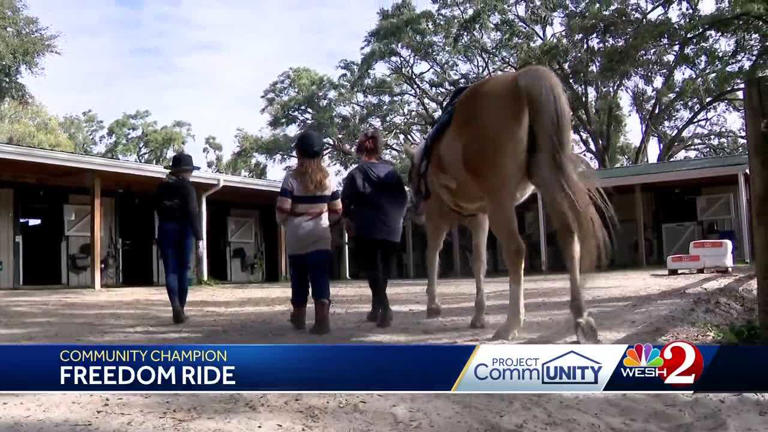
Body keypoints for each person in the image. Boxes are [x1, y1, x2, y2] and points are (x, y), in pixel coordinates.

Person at [276, 130, 342, 335]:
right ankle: (322, 318)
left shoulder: (290, 178)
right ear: (322, 154)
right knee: (320, 276)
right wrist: (324, 220)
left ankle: (299, 316)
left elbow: (282, 210)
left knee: (299, 277)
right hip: (320, 236)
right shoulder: (330, 178)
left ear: (298, 153)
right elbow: (337, 210)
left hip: (296, 236)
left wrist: (288, 222)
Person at [342, 130, 408, 328]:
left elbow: (345, 202)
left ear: (360, 150)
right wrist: (398, 219)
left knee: (373, 270)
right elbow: (404, 198)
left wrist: (347, 219)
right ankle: (375, 308)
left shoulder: (356, 173)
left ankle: (385, 308)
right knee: (383, 271)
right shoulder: (392, 172)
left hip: (368, 227)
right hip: (392, 227)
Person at [154, 152, 203, 324]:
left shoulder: (161, 187)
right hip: (184, 229)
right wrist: (199, 238)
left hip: (166, 228)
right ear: (187, 171)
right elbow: (193, 212)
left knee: (170, 271)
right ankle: (181, 308)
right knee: (183, 270)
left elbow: (157, 209)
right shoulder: (188, 188)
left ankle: (174, 305)